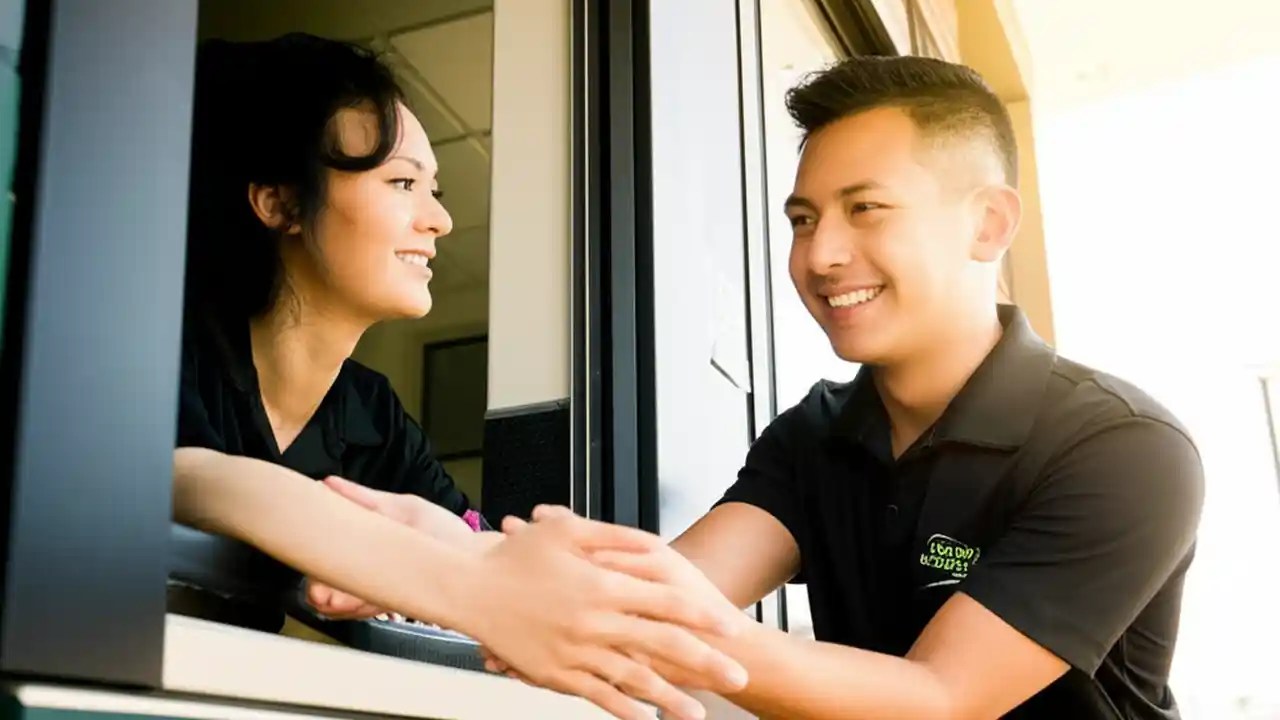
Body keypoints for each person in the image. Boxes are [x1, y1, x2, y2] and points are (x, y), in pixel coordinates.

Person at [485, 56, 1206, 718]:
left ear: (987, 225)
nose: (820, 255)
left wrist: (641, 619)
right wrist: (488, 575)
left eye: (866, 209)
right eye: (804, 220)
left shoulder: (1124, 449)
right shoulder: (816, 435)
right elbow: (675, 590)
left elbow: (941, 701)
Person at [172, 33, 748, 720]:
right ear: (281, 203)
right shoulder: (170, 347)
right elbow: (189, 478)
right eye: (402, 183)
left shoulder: (372, 413)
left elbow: (464, 537)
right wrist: (463, 581)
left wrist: (486, 564)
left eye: (434, 190)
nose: (440, 219)